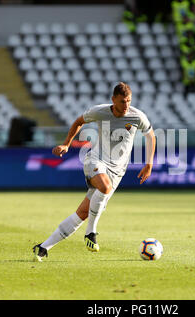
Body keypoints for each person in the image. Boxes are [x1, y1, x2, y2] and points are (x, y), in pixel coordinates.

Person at [32, 82, 156, 261]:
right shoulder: (100, 111)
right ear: (113, 100)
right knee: (104, 187)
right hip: (95, 160)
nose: (126, 105)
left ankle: (43, 248)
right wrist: (66, 144)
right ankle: (91, 232)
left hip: (117, 171)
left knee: (82, 213)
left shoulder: (137, 117)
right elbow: (79, 121)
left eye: (129, 101)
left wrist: (149, 163)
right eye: (122, 101)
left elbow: (150, 135)